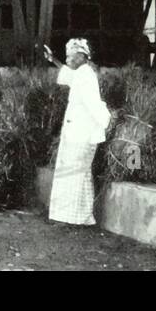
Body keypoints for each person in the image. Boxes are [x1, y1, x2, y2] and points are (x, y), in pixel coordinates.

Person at [42, 38, 110, 226]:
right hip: (76, 132)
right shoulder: (81, 73)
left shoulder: (87, 75)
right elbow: (67, 75)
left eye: (70, 56)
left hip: (82, 134)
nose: (68, 60)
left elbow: (94, 104)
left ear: (81, 56)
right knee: (78, 174)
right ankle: (81, 217)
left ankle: (70, 219)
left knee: (74, 174)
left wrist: (105, 122)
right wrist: (52, 59)